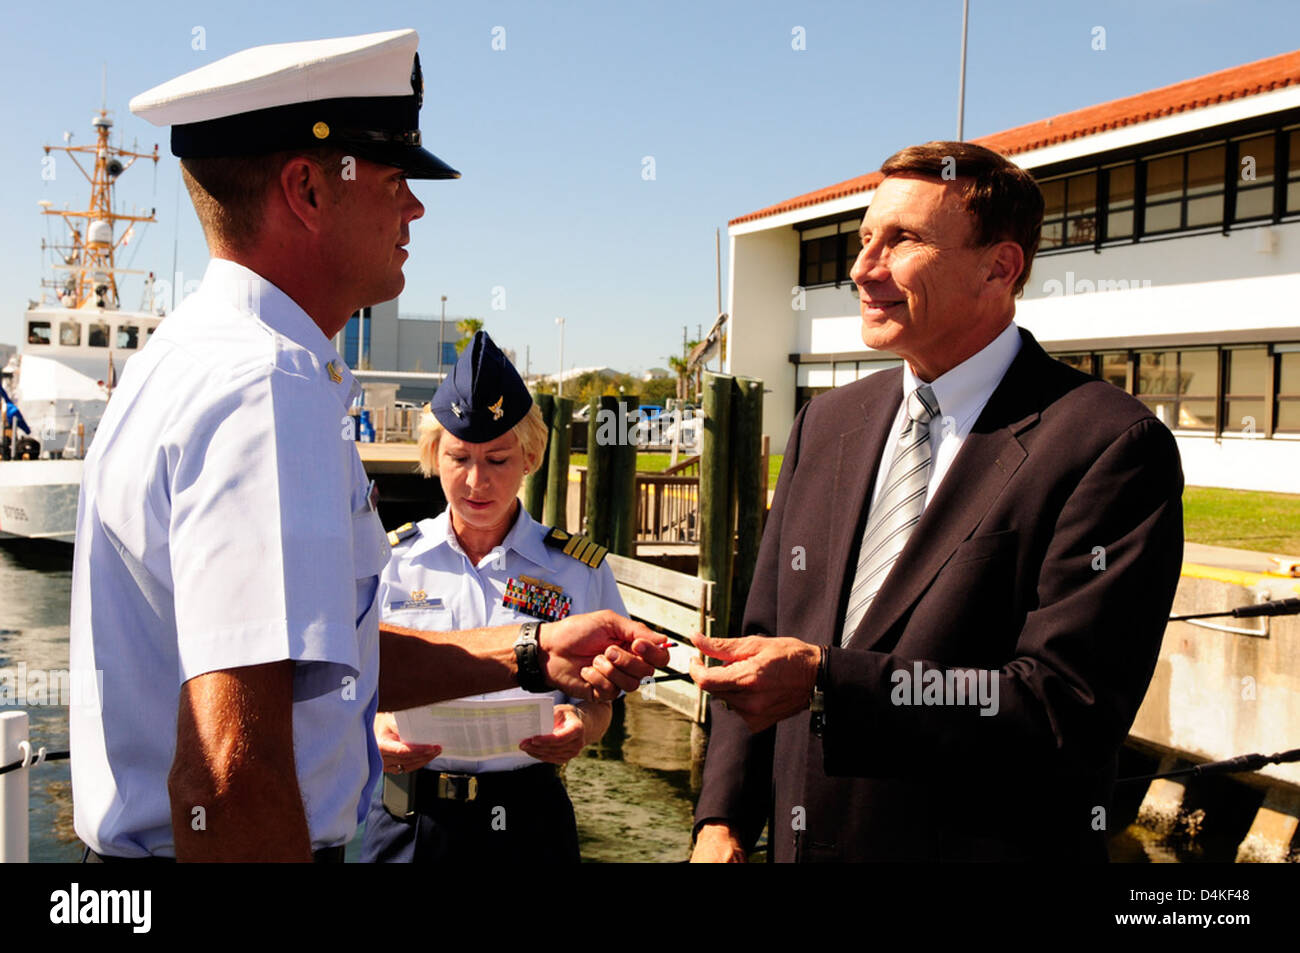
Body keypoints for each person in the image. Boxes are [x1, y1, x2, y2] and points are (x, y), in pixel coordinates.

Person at [69, 29, 667, 863]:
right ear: (309, 188)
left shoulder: (181, 356)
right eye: (394, 179)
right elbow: (229, 777)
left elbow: (323, 663)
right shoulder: (264, 386)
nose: (415, 209)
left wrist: (529, 649)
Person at [689, 141, 1184, 862]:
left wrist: (829, 679)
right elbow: (762, 630)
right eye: (865, 240)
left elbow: (1063, 708)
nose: (863, 268)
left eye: (903, 241)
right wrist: (724, 819)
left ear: (1000, 266)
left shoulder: (1110, 445)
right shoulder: (825, 424)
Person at [360, 331, 626, 863]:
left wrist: (582, 728)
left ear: (529, 458)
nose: (476, 481)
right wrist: (373, 729)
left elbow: (603, 699)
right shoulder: (387, 561)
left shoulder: (578, 569)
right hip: (410, 820)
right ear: (434, 456)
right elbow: (349, 684)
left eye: (498, 460)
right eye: (459, 458)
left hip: (530, 821)